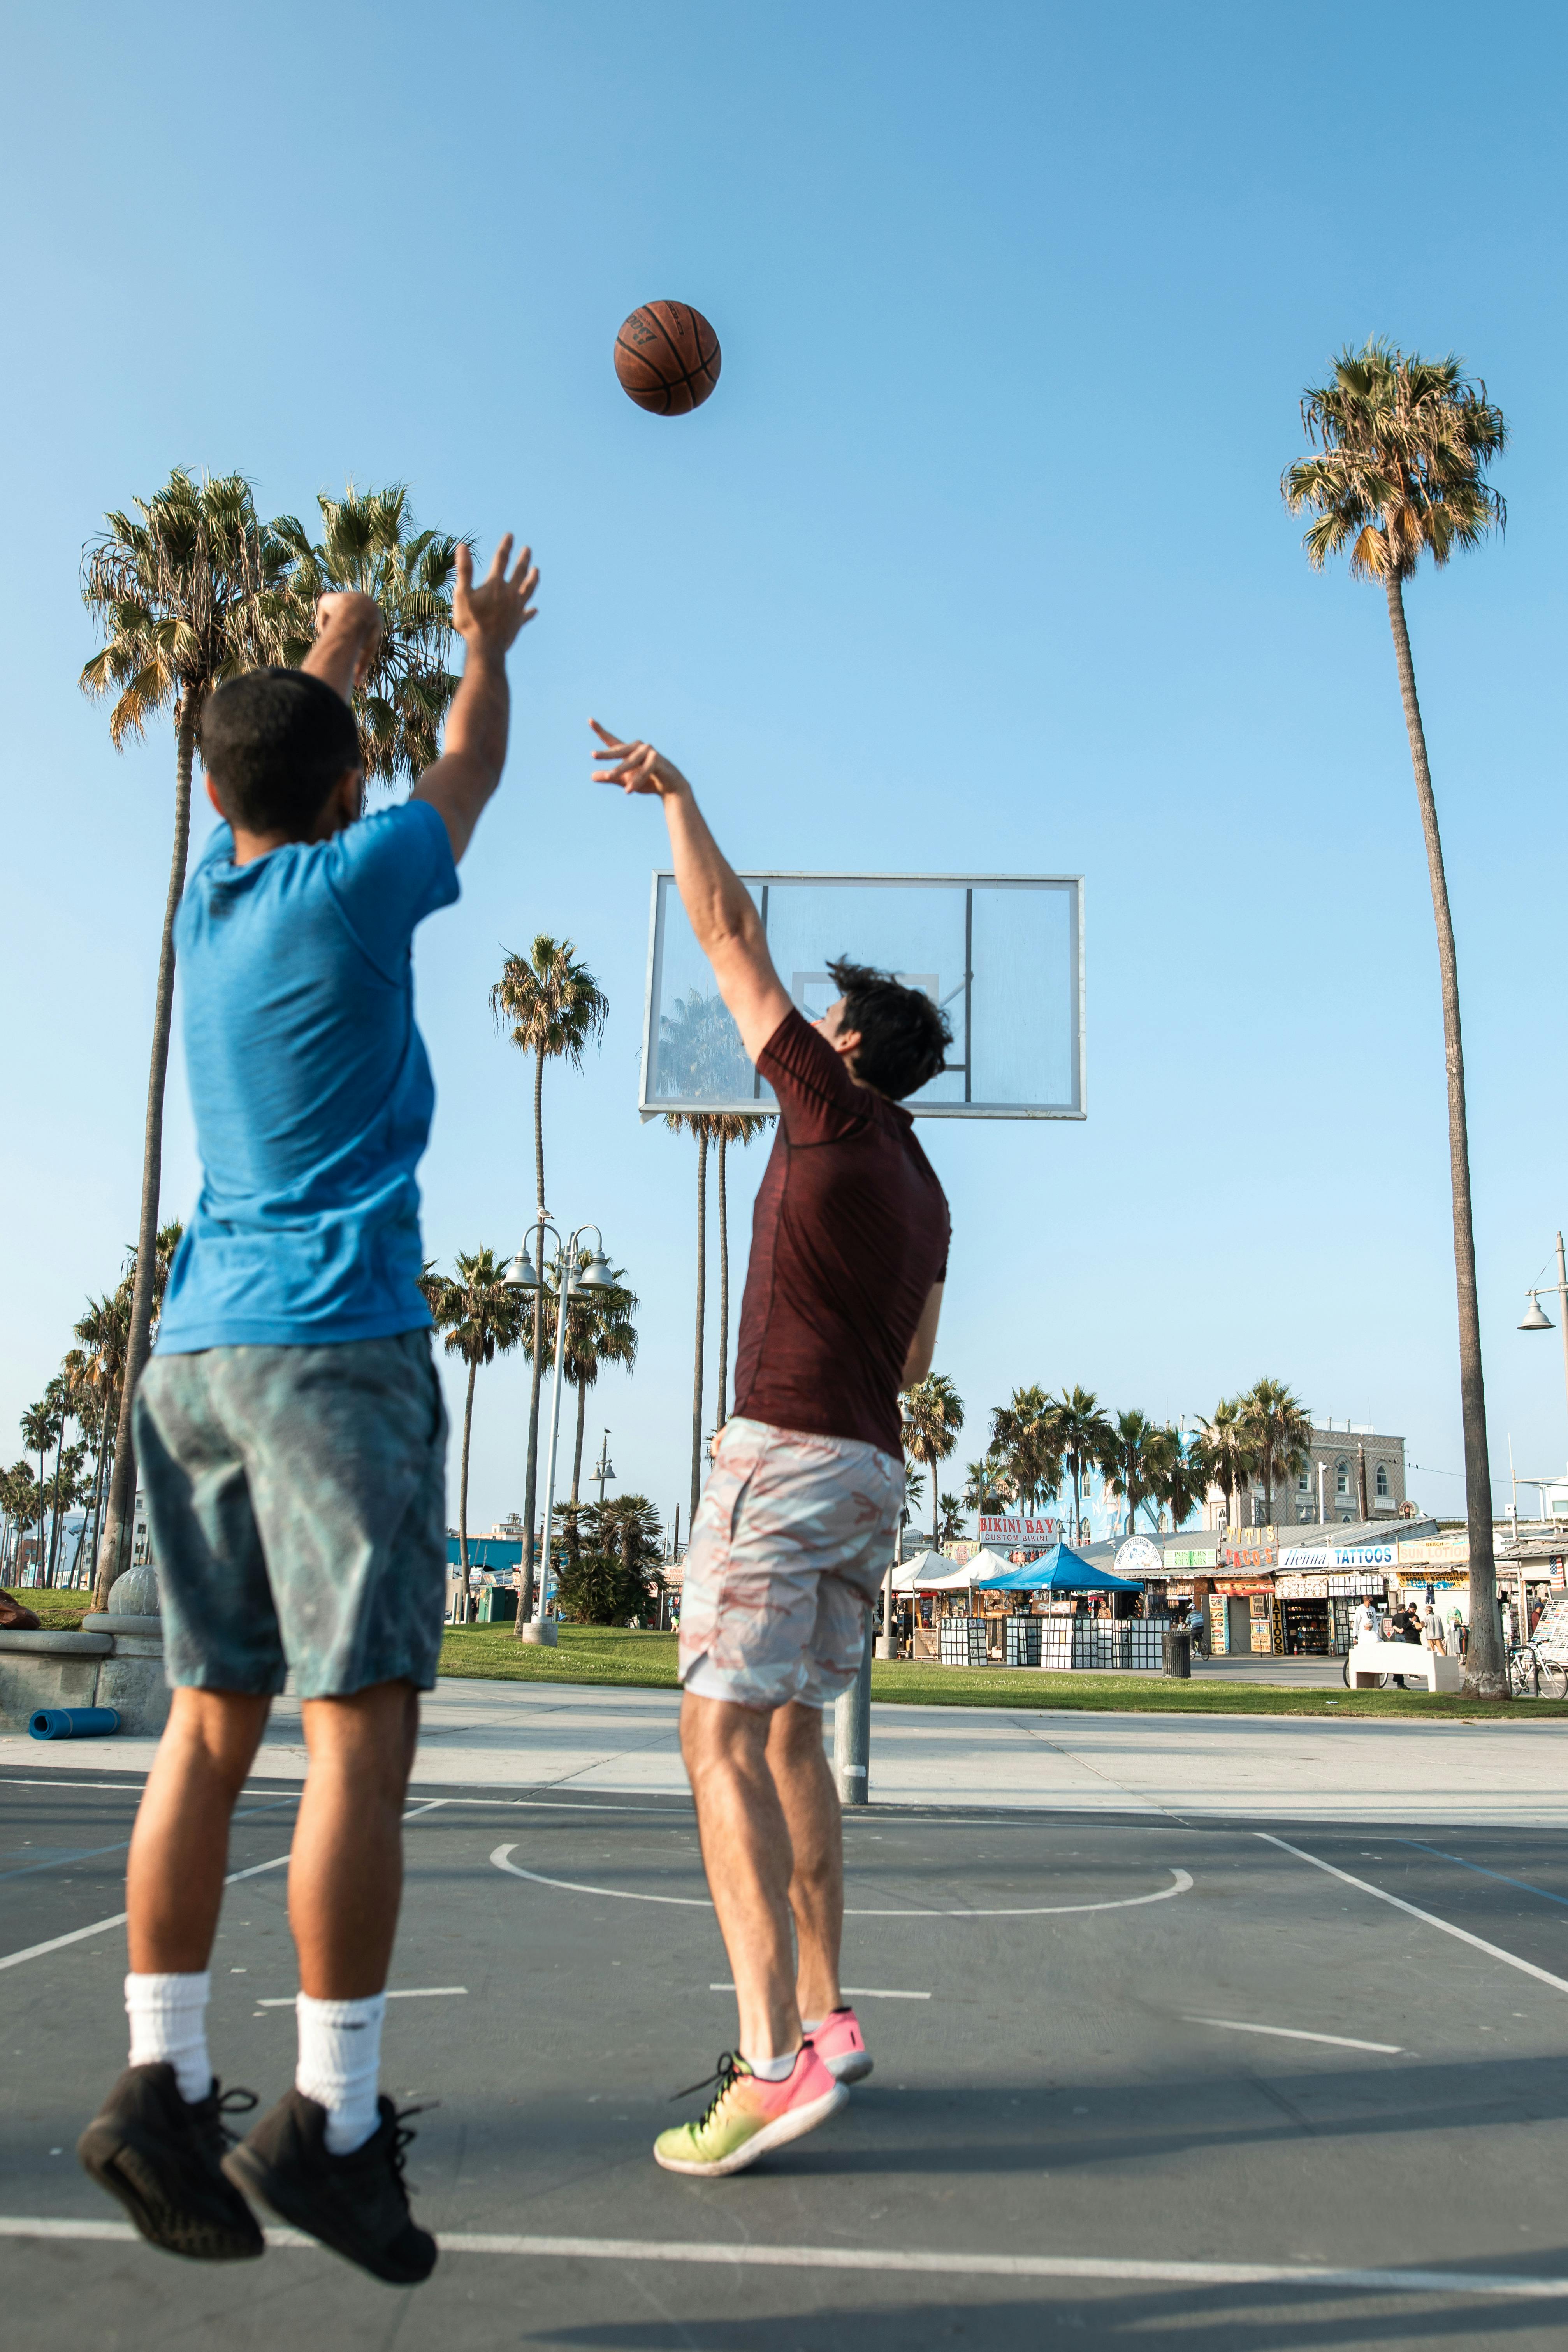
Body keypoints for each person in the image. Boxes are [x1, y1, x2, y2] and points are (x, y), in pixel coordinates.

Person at [76, 539, 540, 2280]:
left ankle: (160, 2079)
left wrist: (336, 654)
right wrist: (478, 645)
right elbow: (473, 763)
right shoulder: (359, 881)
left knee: (210, 1723)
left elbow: (276, 750)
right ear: (345, 785)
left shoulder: (208, 895)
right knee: (358, 1737)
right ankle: (329, 2119)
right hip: (331, 1350)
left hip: (189, 1352)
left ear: (214, 791)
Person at [594, 719, 950, 2178]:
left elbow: (726, 926)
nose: (808, 1021)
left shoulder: (828, 1104)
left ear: (850, 1048)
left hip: (789, 1455)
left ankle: (767, 2063)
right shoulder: (927, 1189)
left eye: (829, 1015)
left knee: (714, 1738)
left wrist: (677, 795)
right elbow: (919, 1361)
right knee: (795, 1731)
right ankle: (830, 2011)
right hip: (870, 1471)